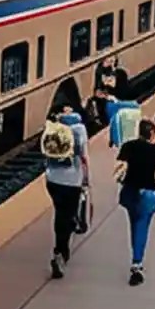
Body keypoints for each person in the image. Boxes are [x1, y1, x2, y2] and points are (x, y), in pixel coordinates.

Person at [40, 104, 90, 278]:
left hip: (52, 180)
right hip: (72, 181)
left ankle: (61, 250)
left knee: (60, 213)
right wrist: (86, 180)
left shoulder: (53, 127)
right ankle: (60, 253)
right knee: (66, 216)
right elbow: (84, 157)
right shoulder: (80, 129)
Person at [114, 120, 155, 285]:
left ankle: (136, 256)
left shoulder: (128, 146)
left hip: (130, 189)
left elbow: (119, 168)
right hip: (148, 191)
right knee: (142, 226)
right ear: (152, 134)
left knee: (134, 223)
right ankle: (137, 263)